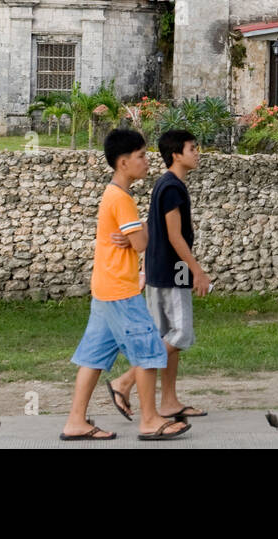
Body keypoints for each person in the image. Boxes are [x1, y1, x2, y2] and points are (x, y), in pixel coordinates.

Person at [60, 129, 191, 442]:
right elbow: (142, 244)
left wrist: (137, 234)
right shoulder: (122, 199)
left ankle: (75, 422)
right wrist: (139, 235)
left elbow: (136, 238)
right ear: (123, 163)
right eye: (141, 156)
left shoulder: (113, 195)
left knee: (93, 357)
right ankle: (149, 420)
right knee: (147, 351)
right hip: (121, 290)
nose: (147, 162)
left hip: (105, 288)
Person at [108, 129, 211, 421]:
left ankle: (168, 403)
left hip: (160, 271)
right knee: (180, 334)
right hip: (172, 272)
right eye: (192, 148)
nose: (197, 152)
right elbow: (175, 237)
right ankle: (125, 381)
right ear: (176, 154)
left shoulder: (166, 185)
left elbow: (152, 226)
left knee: (167, 337)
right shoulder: (173, 188)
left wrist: (143, 265)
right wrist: (198, 272)